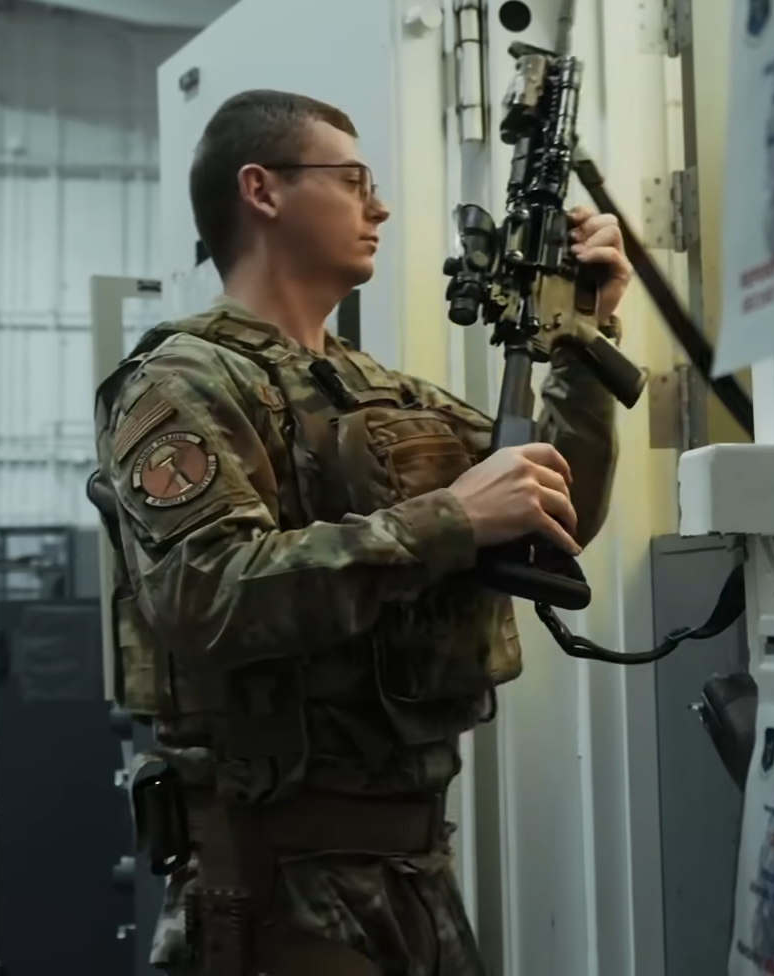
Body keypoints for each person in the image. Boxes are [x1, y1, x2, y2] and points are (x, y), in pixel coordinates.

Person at [90, 90, 627, 975]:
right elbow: (206, 595)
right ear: (261, 190)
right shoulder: (180, 381)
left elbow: (551, 513)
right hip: (273, 880)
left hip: (413, 870)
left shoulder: (384, 393)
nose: (377, 206)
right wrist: (453, 517)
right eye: (353, 180)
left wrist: (582, 330)